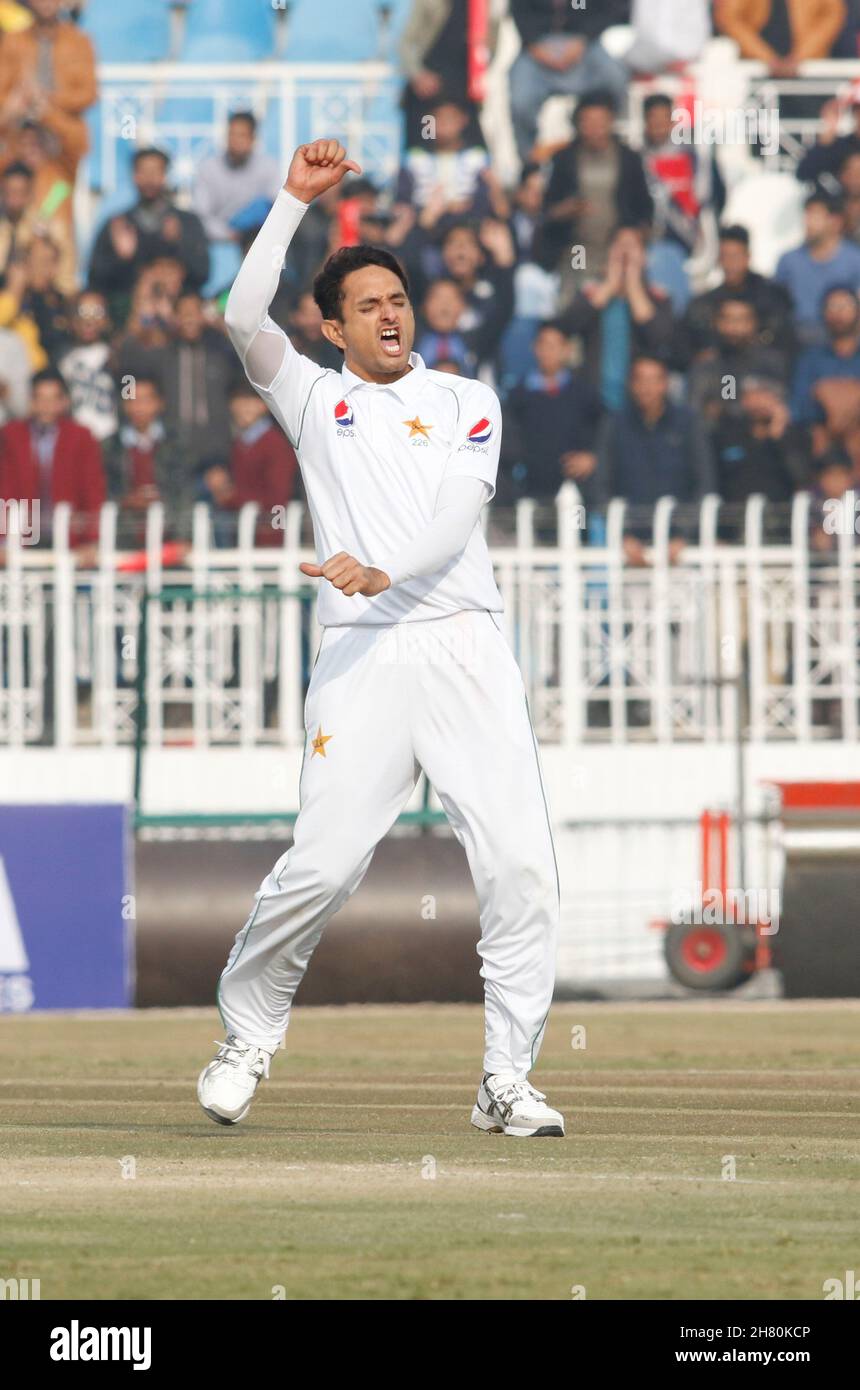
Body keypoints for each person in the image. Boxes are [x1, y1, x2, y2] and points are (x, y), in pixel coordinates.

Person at [197, 138, 564, 1140]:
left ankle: (503, 1078)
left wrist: (389, 567)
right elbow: (237, 316)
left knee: (521, 867)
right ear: (331, 326)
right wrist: (288, 202)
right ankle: (245, 1038)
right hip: (360, 653)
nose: (390, 315)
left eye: (397, 300)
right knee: (320, 867)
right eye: (367, 305)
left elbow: (453, 516)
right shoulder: (313, 395)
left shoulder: (464, 399)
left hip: (460, 644)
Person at [593, 354, 715, 560]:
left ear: (664, 384)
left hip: (680, 549)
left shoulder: (688, 423)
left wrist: (684, 535)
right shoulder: (614, 425)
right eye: (640, 380)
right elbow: (600, 485)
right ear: (631, 384)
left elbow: (705, 482)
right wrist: (622, 535)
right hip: (630, 550)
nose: (646, 387)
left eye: (653, 380)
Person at [538, 92, 653, 293]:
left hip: (615, 248)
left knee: (617, 298)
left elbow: (644, 206)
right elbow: (547, 208)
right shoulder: (565, 159)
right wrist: (566, 210)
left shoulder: (628, 158)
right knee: (578, 294)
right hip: (579, 246)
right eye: (588, 122)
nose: (594, 129)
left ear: (611, 122)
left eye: (601, 121)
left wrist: (634, 232)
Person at [88, 147, 210, 318]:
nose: (149, 179)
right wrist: (122, 258)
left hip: (175, 319)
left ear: (165, 176)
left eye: (155, 172)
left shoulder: (187, 222)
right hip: (129, 318)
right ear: (134, 176)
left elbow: (202, 274)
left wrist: (179, 244)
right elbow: (95, 280)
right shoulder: (118, 225)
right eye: (143, 172)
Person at [508, 0, 630, 164]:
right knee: (520, 99)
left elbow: (604, 11)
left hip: (584, 44)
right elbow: (520, 14)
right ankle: (529, 162)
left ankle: (615, 142)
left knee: (616, 76)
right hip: (537, 47)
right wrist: (536, 47)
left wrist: (583, 39)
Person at [501, 320, 603, 505]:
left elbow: (604, 432)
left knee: (576, 529)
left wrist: (593, 457)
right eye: (544, 344)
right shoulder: (518, 396)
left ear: (568, 350)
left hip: (576, 493)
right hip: (530, 493)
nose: (549, 352)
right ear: (535, 348)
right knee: (530, 533)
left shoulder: (585, 394)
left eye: (555, 346)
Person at [0, 365, 104, 546]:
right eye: (40, 398)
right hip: (20, 538)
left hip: (70, 538)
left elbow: (92, 490)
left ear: (64, 402)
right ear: (31, 401)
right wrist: (3, 539)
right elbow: (4, 489)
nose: (47, 406)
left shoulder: (81, 437)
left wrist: (91, 541)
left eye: (53, 399)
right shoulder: (11, 435)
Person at [0, 0, 97, 190]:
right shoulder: (13, 40)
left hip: (62, 131)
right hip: (20, 128)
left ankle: (49, 215)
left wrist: (48, 100)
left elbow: (89, 93)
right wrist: (17, 101)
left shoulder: (78, 41)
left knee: (58, 189)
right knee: (16, 186)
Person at [202, 381, 298, 546]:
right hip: (244, 532)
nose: (244, 408)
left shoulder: (276, 444)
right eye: (239, 400)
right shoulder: (239, 443)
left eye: (252, 401)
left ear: (265, 405)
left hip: (268, 539)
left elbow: (278, 498)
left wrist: (273, 538)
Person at [684, 224, 794, 358]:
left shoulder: (774, 297)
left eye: (736, 256)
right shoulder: (704, 304)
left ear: (748, 257)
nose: (730, 264)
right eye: (725, 257)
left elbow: (782, 339)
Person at [774, 191, 860, 346]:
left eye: (815, 215)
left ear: (836, 221)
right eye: (806, 215)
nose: (807, 222)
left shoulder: (855, 260)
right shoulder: (788, 261)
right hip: (796, 341)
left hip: (843, 339)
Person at [791, 285, 860, 465]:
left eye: (844, 306)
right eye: (832, 307)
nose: (838, 314)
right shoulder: (810, 359)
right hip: (823, 437)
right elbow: (799, 405)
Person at [192, 110, 281, 245]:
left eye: (242, 135)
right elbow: (201, 216)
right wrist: (228, 233)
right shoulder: (208, 169)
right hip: (218, 243)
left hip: (258, 241)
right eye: (232, 135)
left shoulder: (268, 167)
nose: (236, 141)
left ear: (253, 139)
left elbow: (276, 208)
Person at [716, 0, 847, 74]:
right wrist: (767, 58)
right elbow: (729, 17)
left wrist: (800, 57)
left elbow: (833, 15)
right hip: (755, 73)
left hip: (807, 73)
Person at [57, 290, 117, 443]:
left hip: (109, 437)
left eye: (97, 312)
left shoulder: (116, 356)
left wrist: (128, 392)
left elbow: (130, 388)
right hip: (73, 439)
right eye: (82, 312)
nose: (89, 320)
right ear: (71, 319)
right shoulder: (61, 358)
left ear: (107, 319)